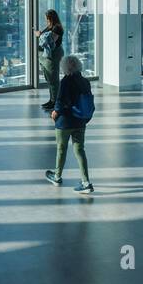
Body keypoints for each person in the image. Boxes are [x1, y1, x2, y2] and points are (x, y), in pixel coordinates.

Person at [45, 54, 94, 193]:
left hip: (65, 122)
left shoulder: (65, 81)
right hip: (80, 122)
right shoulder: (85, 81)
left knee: (61, 149)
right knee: (80, 150)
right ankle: (86, 183)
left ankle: (57, 176)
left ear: (65, 67)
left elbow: (60, 101)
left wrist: (55, 112)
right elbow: (88, 102)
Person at [35, 10, 65, 111]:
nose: (46, 20)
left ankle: (55, 101)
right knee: (49, 79)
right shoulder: (50, 27)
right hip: (46, 56)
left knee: (53, 79)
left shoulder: (57, 28)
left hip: (52, 56)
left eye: (47, 18)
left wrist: (39, 35)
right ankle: (52, 100)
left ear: (51, 18)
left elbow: (50, 40)